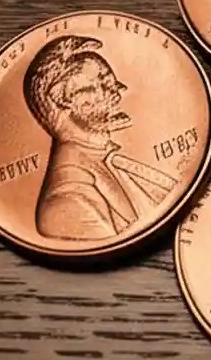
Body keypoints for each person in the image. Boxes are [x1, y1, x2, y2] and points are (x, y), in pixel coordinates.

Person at [23, 35, 177, 241]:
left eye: (112, 82)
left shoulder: (114, 163)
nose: (118, 91)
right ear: (61, 99)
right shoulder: (67, 203)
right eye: (101, 84)